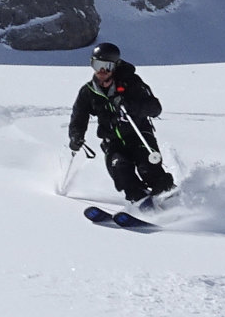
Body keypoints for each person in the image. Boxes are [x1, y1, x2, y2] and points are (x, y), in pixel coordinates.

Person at [69, 42, 175, 209]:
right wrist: (76, 136)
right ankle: (143, 204)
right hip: (113, 142)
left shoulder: (131, 83)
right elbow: (78, 117)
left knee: (149, 169)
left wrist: (130, 105)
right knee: (121, 171)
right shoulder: (88, 91)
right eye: (97, 65)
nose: (101, 71)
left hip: (139, 135)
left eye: (106, 66)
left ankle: (173, 201)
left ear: (115, 66)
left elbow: (155, 108)